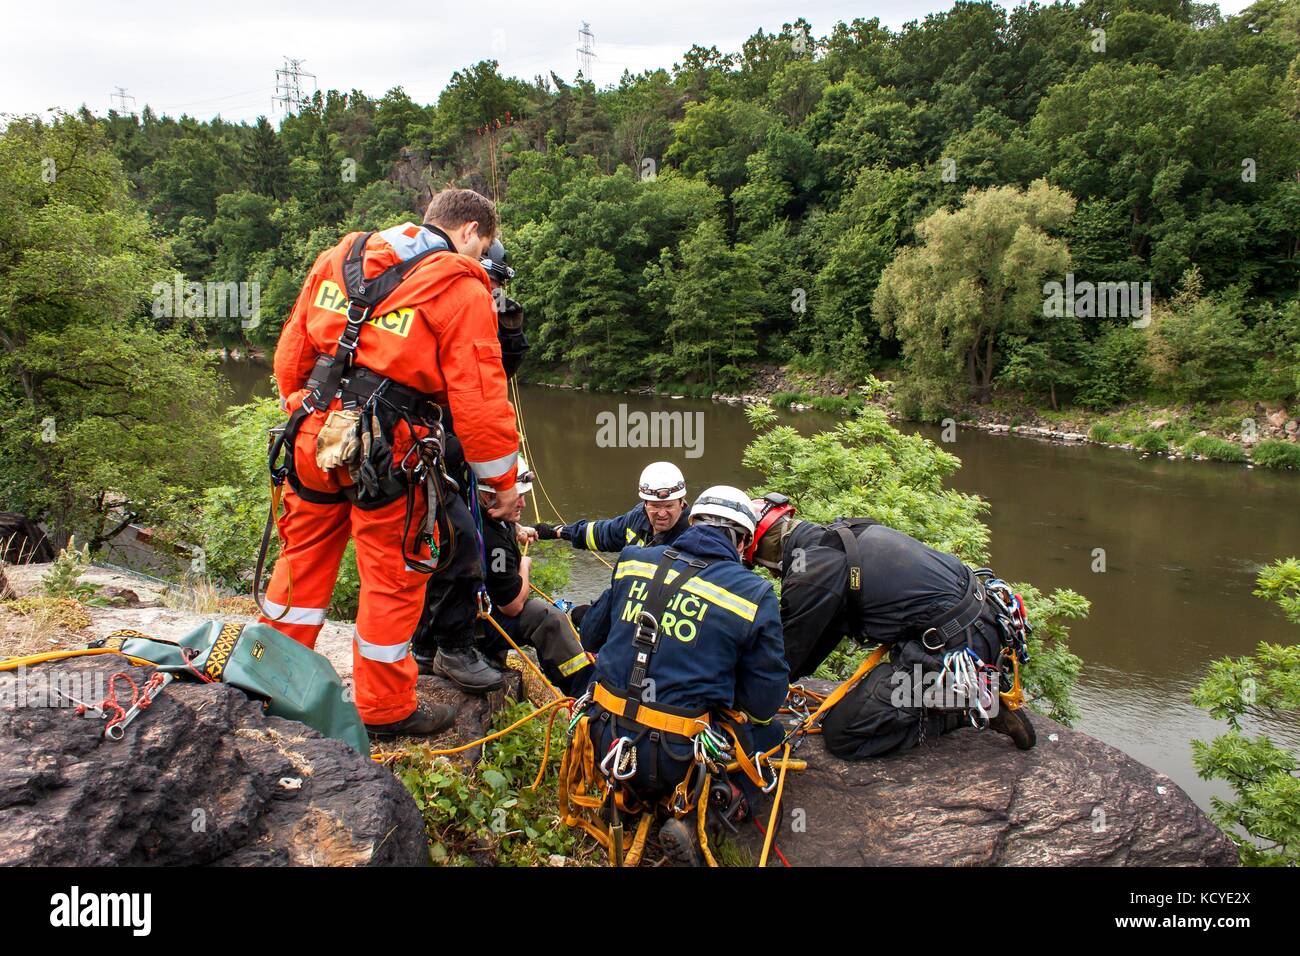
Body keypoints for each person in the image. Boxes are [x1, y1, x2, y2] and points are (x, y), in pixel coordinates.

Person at [259, 188, 519, 738]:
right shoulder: (456, 282)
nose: (481, 263)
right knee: (393, 577)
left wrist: (309, 413)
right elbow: (480, 400)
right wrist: (501, 483)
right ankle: (383, 708)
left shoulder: (342, 256)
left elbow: (292, 355)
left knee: (300, 560)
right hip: (388, 452)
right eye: (483, 248)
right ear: (470, 231)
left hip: (313, 434)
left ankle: (268, 683)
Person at [573, 486, 789, 865]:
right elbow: (765, 699)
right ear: (743, 542)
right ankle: (704, 815)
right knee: (771, 732)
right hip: (675, 757)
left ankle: (621, 794)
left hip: (603, 734)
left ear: (691, 522)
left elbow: (591, 635)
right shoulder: (753, 593)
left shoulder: (633, 559)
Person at [743, 493, 1036, 759]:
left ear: (764, 551)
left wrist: (741, 698)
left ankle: (960, 707)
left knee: (844, 732)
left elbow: (786, 656)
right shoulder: (844, 535)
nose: (766, 570)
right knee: (860, 700)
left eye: (757, 562)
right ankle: (958, 691)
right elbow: (812, 647)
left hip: (953, 649)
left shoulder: (811, 572)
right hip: (985, 623)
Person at [410, 238, 528, 694]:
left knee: (449, 544)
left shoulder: (474, 304)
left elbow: (498, 372)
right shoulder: (449, 300)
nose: (492, 290)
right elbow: (472, 387)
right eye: (492, 281)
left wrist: (511, 335)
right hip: (437, 440)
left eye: (497, 285)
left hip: (449, 444)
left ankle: (429, 646)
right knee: (456, 547)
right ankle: (446, 649)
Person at [467, 459, 594, 696]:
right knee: (547, 618)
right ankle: (580, 689)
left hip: (466, 617)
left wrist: (518, 529)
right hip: (477, 626)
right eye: (516, 498)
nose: (523, 503)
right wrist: (524, 566)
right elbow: (512, 606)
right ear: (487, 497)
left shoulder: (476, 512)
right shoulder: (494, 544)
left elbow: (497, 525)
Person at [532, 461, 689, 552]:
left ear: (682, 502)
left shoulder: (694, 535)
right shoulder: (636, 519)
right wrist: (555, 532)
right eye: (655, 506)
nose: (662, 513)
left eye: (669, 506)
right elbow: (601, 533)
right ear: (645, 504)